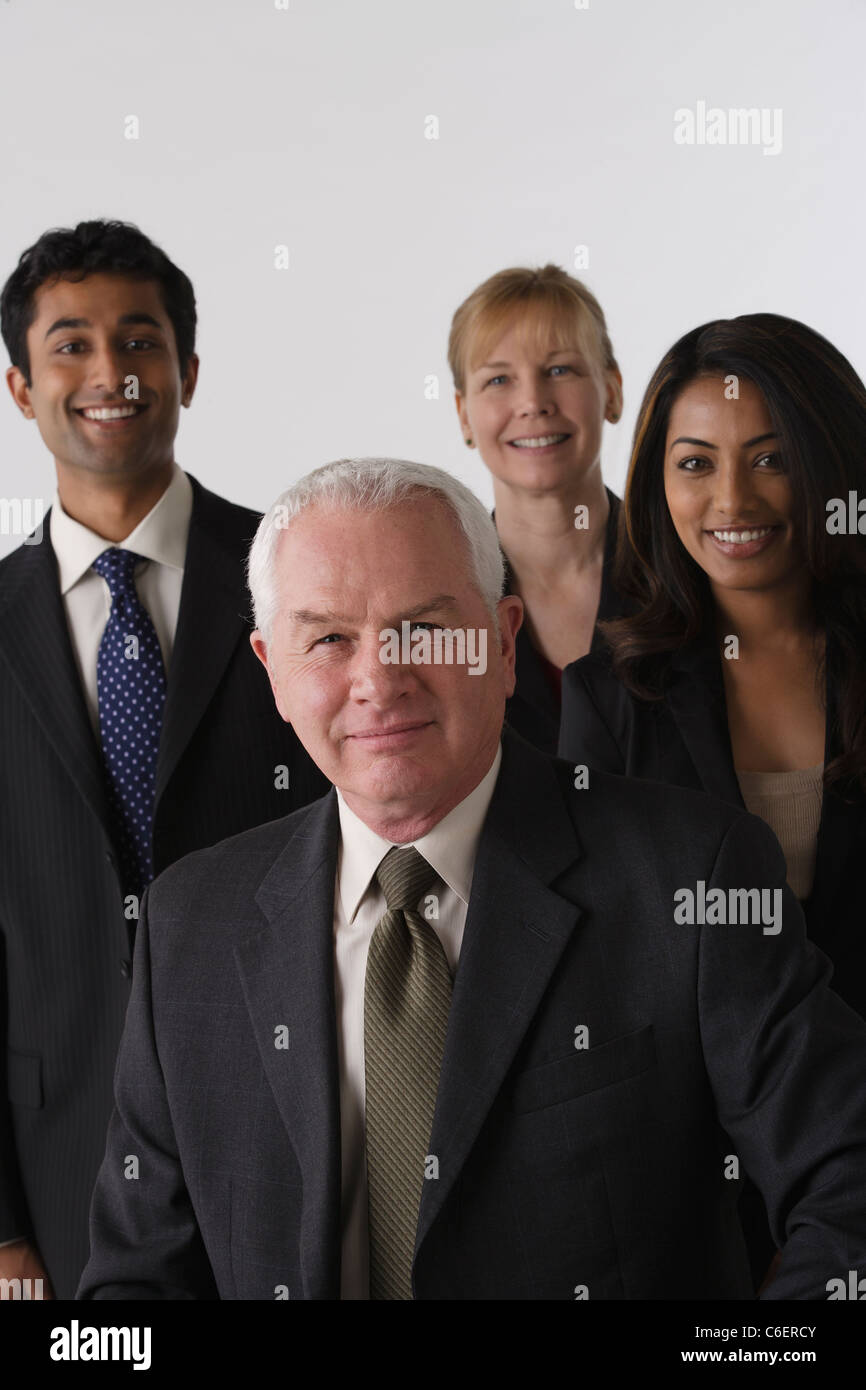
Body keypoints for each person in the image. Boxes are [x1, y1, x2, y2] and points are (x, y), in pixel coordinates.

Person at [78, 456, 866, 1301]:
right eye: (329, 639)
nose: (378, 680)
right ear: (272, 668)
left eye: (423, 629)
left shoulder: (692, 878)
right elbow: (134, 1288)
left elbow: (848, 1186)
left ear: (502, 640)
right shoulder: (190, 920)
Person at [0, 219, 329, 1300]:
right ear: (18, 384)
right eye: (70, 345)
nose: (110, 374)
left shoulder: (300, 577)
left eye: (139, 342)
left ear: (188, 370)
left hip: (300, 1110)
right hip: (60, 1158)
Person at [558, 314, 866, 1022]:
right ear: (657, 482)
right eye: (696, 462)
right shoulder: (608, 697)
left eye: (772, 458)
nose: (732, 501)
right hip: (694, 1113)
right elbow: (593, 952)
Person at [448, 264, 627, 754]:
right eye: (499, 379)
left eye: (560, 370)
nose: (532, 402)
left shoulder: (689, 570)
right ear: (464, 414)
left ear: (612, 390)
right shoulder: (439, 600)